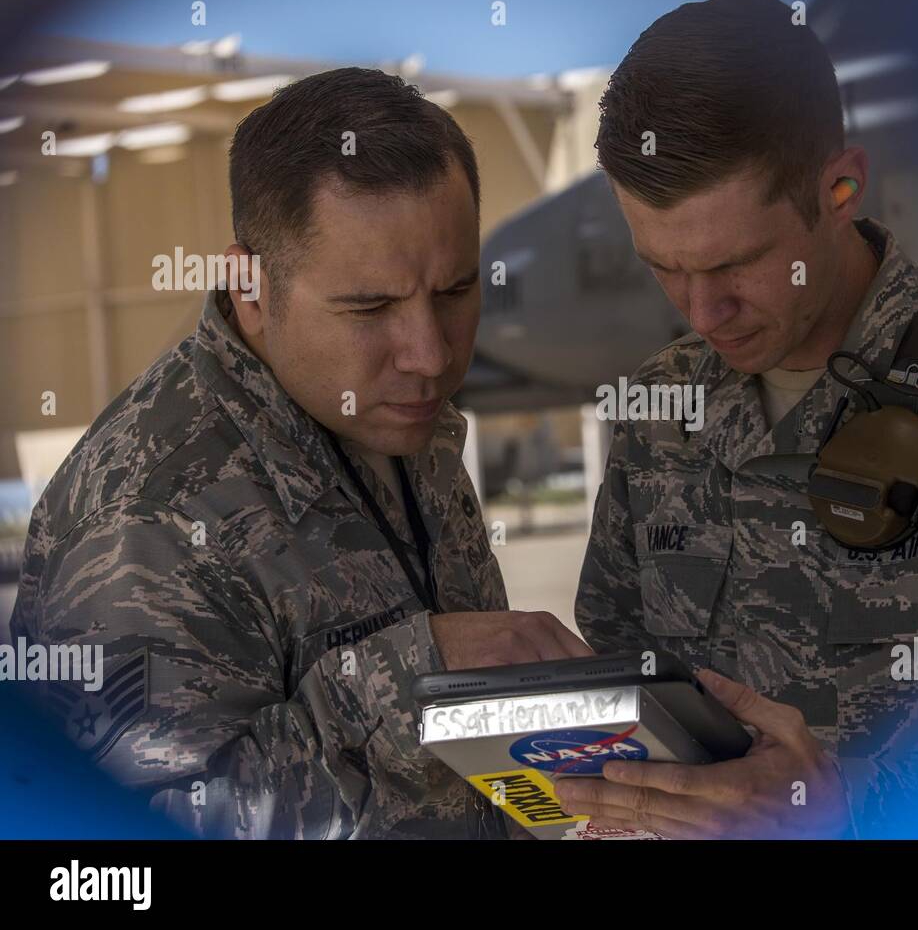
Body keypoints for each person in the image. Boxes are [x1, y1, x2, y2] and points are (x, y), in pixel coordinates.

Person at [564, 0, 918, 838]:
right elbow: (626, 690)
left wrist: (850, 806)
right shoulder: (660, 411)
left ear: (841, 187)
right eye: (663, 266)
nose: (702, 312)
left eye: (736, 263)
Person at [11, 67, 589, 839]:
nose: (429, 353)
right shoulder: (146, 513)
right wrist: (411, 679)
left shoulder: (393, 418)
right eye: (369, 307)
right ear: (250, 286)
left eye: (454, 291)